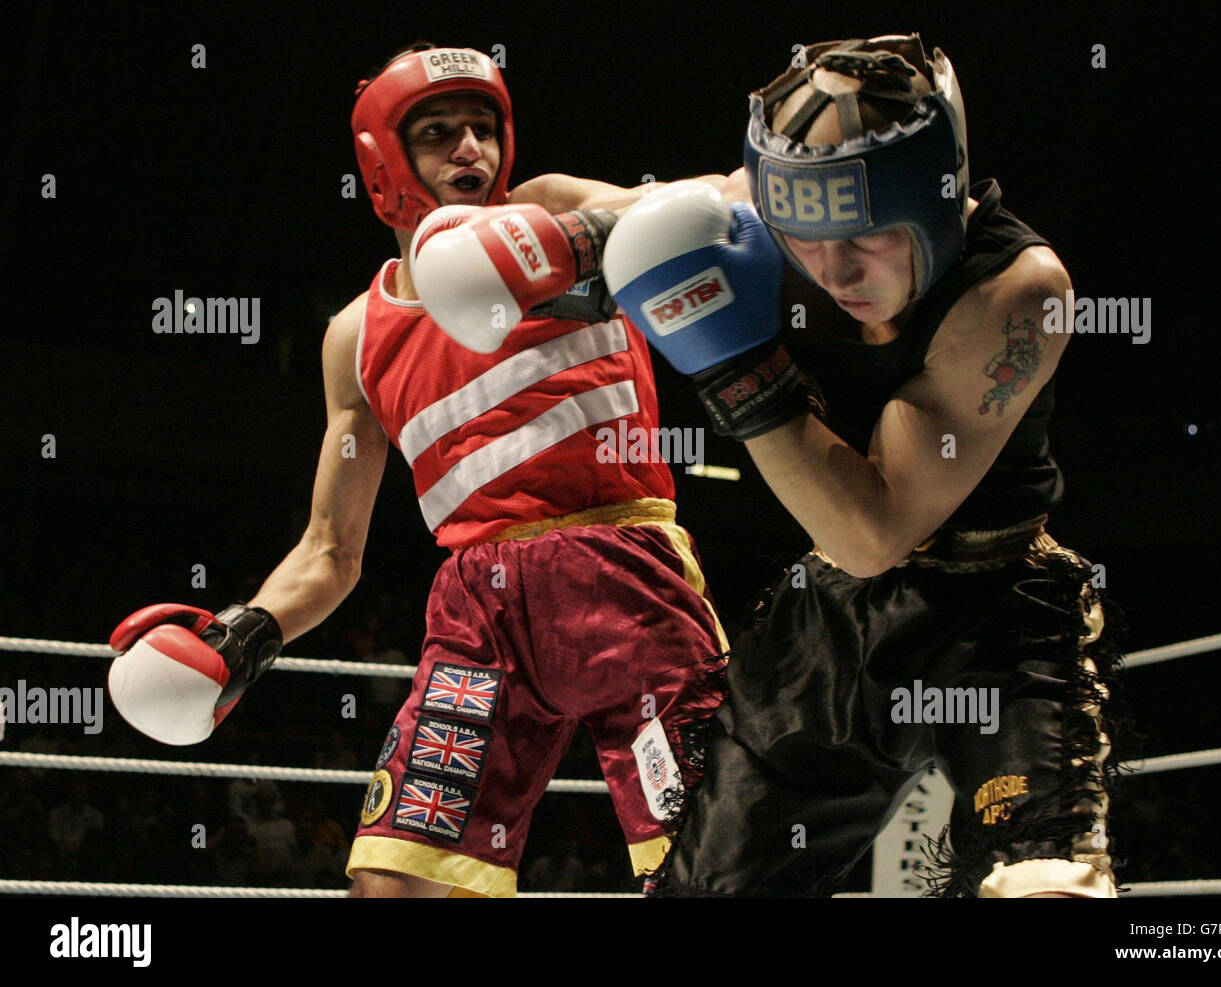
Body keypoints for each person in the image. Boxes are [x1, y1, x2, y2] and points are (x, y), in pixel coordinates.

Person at [105, 43, 729, 897]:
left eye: (482, 127)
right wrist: (242, 634)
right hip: (479, 615)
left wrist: (592, 246)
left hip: (623, 573)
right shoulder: (356, 337)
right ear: (383, 165)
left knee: (714, 870)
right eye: (438, 133)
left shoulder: (551, 209)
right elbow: (330, 550)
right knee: (395, 885)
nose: (470, 149)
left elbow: (717, 206)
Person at [603, 34, 1127, 897]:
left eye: (867, 235)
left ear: (936, 194)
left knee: (1047, 882)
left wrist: (733, 367)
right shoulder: (761, 218)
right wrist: (520, 248)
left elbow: (873, 530)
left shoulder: (1021, 288)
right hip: (829, 623)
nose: (830, 267)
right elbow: (582, 209)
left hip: (990, 615)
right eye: (800, 236)